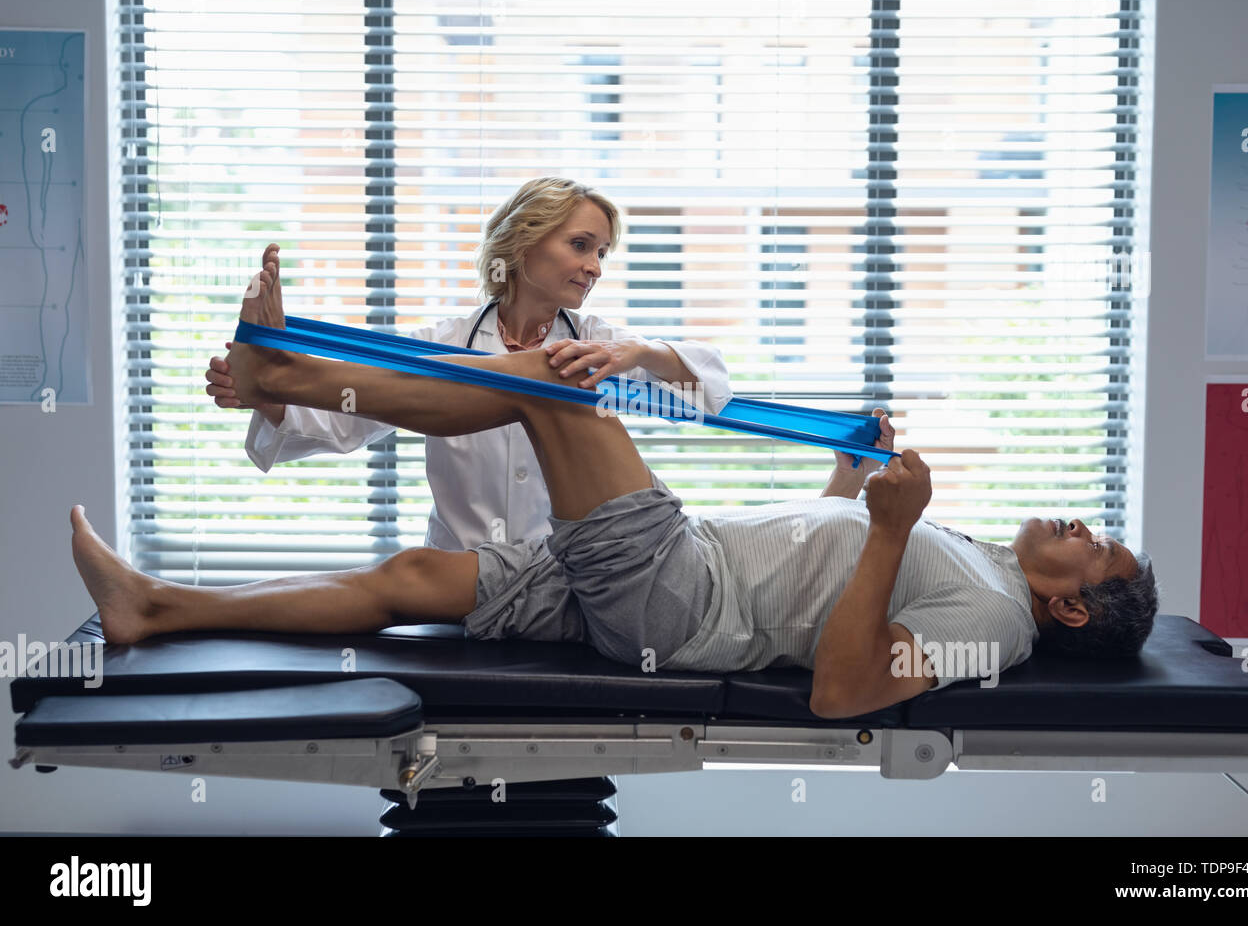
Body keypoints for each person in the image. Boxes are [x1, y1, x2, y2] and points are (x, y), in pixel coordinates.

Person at [69, 247, 1158, 719]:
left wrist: (889, 529)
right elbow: (819, 569)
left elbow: (841, 686)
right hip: (677, 572)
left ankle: (283, 367)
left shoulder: (995, 623)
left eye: (1094, 541)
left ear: (1070, 603)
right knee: (411, 573)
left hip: (681, 598)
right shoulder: (971, 556)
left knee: (552, 384)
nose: (1080, 521)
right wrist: (853, 477)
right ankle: (155, 606)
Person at [204, 177, 732, 550]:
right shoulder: (445, 343)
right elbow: (343, 420)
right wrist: (269, 402)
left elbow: (708, 391)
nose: (594, 267)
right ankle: (276, 372)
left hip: (565, 583)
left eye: (603, 254)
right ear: (523, 242)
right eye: (580, 245)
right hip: (460, 579)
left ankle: (279, 366)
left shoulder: (597, 347)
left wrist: (639, 352)